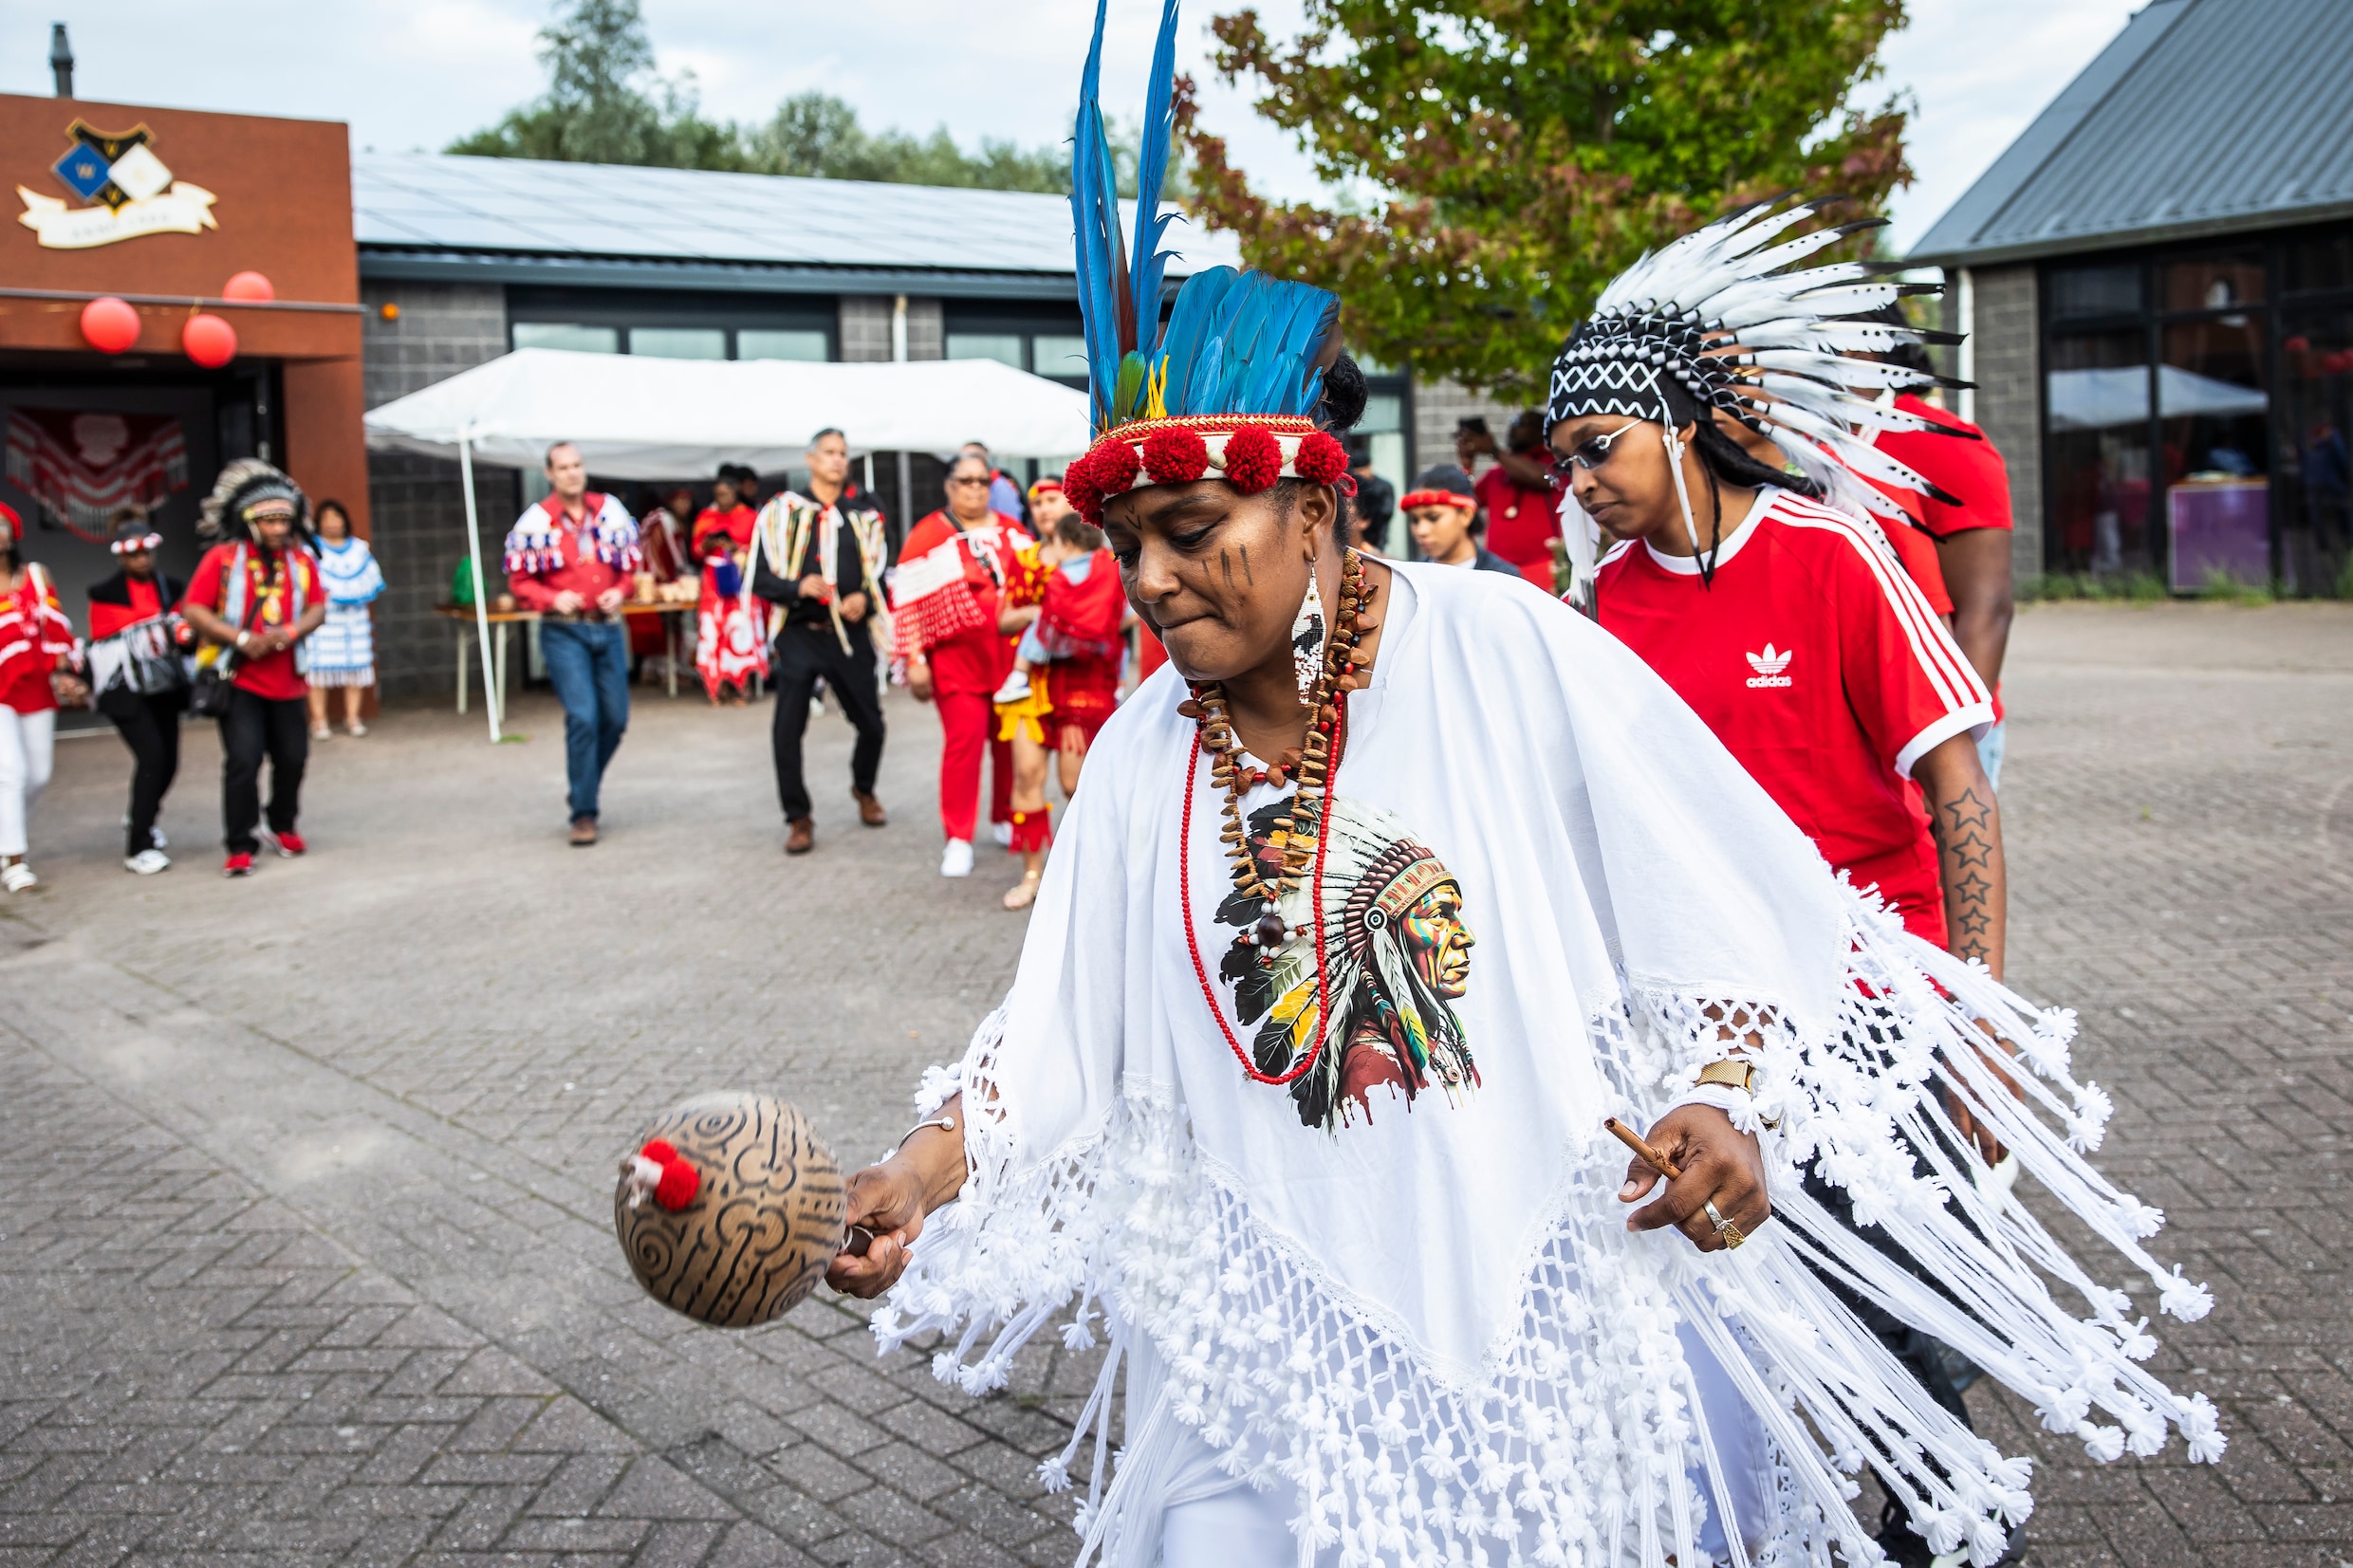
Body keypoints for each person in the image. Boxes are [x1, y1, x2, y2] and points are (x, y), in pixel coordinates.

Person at [820, 29, 2221, 1566]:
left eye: (1194, 528)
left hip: (1549, 1309)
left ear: (1315, 508)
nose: (1151, 577)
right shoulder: (1148, 750)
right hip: (1267, 1353)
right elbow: (1055, 1036)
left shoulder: (1506, 645)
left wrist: (1725, 1097)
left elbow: (1720, 902)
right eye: (1127, 544)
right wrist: (919, 1174)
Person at [1552, 198, 2029, 1566]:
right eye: (1563, 461)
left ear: (1678, 424)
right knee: (1753, 1298)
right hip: (1713, 1018)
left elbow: (1957, 789)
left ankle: (1958, 1530)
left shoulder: (1833, 553)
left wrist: (1974, 1020)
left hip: (1873, 1000)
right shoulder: (1605, 603)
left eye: (1598, 448)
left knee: (1902, 1309)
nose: (1579, 483)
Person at [1864, 307, 2019, 787]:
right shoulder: (1802, 444)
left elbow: (1987, 610)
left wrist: (1951, 756)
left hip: (1935, 734)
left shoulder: (1944, 443)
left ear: (1867, 345)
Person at [181, 460, 327, 877]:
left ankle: (282, 824)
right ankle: (240, 843)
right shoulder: (223, 559)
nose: (279, 528)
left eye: (284, 520)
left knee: (293, 757)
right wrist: (241, 638)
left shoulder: (301, 561)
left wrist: (289, 632)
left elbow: (318, 608)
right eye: (269, 521)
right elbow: (193, 609)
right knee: (243, 761)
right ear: (249, 522)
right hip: (239, 679)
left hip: (289, 679)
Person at [749, 427, 891, 856]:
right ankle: (798, 817)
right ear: (810, 460)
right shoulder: (783, 514)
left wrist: (864, 598)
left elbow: (880, 576)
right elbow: (759, 579)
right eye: (828, 452)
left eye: (842, 453)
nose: (836, 460)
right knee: (787, 729)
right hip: (801, 634)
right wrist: (797, 587)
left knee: (872, 725)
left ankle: (863, 788)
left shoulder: (863, 516)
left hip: (850, 636)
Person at [892, 452, 1029, 877]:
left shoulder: (1013, 531)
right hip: (956, 663)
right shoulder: (928, 533)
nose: (974, 489)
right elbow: (908, 604)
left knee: (1009, 744)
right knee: (963, 747)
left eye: (981, 481)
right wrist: (914, 658)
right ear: (949, 486)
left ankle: (1005, 816)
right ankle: (958, 836)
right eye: (965, 481)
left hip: (1010, 661)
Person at [505, 442, 640, 847]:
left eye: (577, 465)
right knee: (583, 717)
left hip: (607, 626)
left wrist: (621, 590)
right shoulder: (536, 521)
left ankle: (583, 786)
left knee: (615, 719)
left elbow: (629, 568)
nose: (572, 473)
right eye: (563, 467)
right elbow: (520, 582)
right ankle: (584, 812)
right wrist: (551, 598)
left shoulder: (609, 510)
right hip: (564, 630)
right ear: (549, 474)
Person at [990, 510, 1123, 910]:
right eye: (1041, 500)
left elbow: (1127, 615)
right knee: (1027, 776)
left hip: (1081, 687)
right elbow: (1003, 620)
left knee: (1074, 786)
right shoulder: (1025, 560)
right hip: (1032, 689)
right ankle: (1032, 874)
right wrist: (1037, 614)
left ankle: (1090, 874)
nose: (1047, 507)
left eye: (1054, 497)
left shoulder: (1105, 564)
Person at [87, 511, 189, 875]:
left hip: (163, 688)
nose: (142, 560)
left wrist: (183, 633)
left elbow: (181, 632)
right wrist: (155, 632)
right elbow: (105, 643)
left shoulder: (170, 587)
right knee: (152, 757)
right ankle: (138, 846)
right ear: (121, 556)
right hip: (125, 692)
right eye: (134, 554)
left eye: (147, 552)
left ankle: (143, 817)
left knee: (169, 761)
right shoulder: (104, 593)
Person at [0, 502, 83, 892]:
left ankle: (5, 838)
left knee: (37, 775)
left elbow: (56, 628)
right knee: (10, 772)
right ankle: (15, 860)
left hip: (36, 685)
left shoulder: (35, 575)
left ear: (13, 533)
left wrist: (63, 672)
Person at [305, 499, 383, 739]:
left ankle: (353, 717)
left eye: (336, 517)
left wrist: (354, 593)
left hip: (354, 619)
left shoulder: (359, 549)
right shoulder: (310, 549)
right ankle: (319, 720)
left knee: (356, 669)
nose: (332, 523)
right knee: (317, 671)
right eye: (326, 518)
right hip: (323, 619)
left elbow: (372, 578)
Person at [1457, 408, 1562, 588]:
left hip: (1545, 568)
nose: (1513, 427)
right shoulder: (1498, 472)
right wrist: (1467, 467)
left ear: (1542, 429)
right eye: (1512, 421)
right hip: (1498, 571)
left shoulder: (1554, 462)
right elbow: (1467, 505)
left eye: (1520, 423)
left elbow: (1539, 477)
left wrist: (1494, 450)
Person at [1400, 463, 1523, 575]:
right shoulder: (1410, 577)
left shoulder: (1503, 578)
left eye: (1433, 518)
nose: (1421, 531)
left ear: (1466, 515)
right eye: (1415, 520)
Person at [1344, 434, 1395, 553]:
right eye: (1357, 471)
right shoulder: (1352, 484)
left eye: (1363, 470)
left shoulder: (1383, 486)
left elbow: (1386, 513)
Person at [959, 440, 1028, 523]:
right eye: (962, 457)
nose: (966, 462)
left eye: (972, 456)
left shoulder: (1000, 486)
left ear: (984, 458)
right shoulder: (959, 486)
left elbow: (1011, 522)